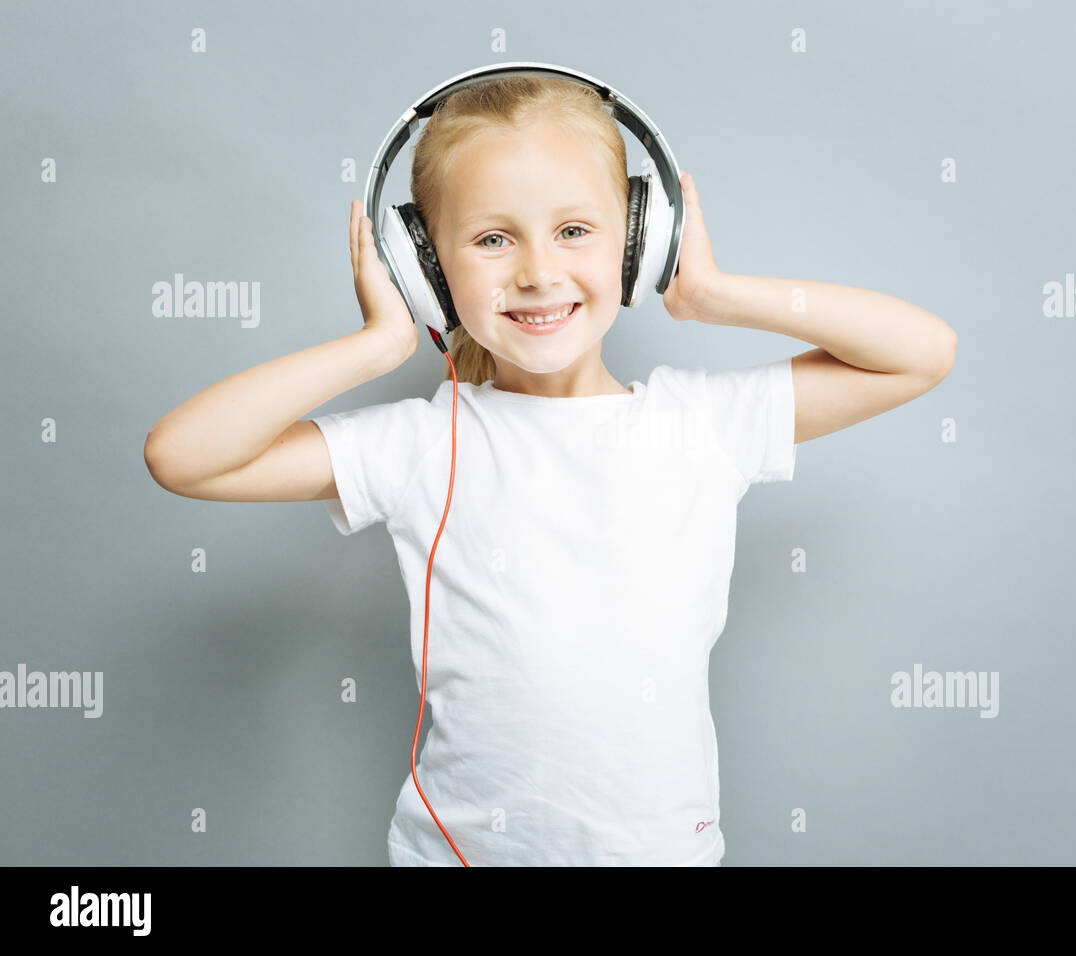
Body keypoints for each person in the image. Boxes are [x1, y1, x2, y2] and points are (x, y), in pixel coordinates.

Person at [142, 75, 958, 866]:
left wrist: (713, 292)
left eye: (575, 231)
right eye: (492, 239)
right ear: (426, 266)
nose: (537, 270)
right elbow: (183, 456)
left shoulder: (703, 425)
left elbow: (920, 355)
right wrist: (376, 346)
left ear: (640, 240)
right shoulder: (421, 444)